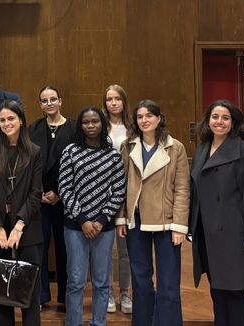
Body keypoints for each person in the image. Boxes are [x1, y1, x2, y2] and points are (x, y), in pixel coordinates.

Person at [190, 99, 244, 326]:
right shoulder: (202, 149)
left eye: (225, 118)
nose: (219, 122)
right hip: (208, 232)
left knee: (234, 290)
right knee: (217, 288)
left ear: (233, 123)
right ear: (208, 120)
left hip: (234, 233)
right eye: (215, 117)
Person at [115, 100, 189, 326]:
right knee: (140, 279)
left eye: (149, 115)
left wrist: (179, 225)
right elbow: (121, 184)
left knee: (168, 281)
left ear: (159, 118)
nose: (144, 120)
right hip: (136, 220)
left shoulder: (175, 147)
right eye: (140, 116)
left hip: (166, 222)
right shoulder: (128, 146)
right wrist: (121, 218)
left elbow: (182, 188)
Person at [59, 107, 126, 326]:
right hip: (75, 227)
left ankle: (99, 322)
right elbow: (65, 188)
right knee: (76, 281)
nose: (90, 126)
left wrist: (100, 220)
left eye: (95, 121)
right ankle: (74, 322)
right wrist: (83, 220)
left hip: (103, 229)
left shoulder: (114, 155)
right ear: (80, 125)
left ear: (102, 124)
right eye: (86, 122)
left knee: (102, 282)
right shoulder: (70, 151)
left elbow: (118, 191)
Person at [0, 99, 42, 326]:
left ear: (22, 121)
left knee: (30, 290)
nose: (7, 123)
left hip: (26, 227)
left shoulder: (34, 151)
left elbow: (36, 193)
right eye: (2, 120)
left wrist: (18, 226)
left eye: (11, 118)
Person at [28, 85, 75, 308]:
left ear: (60, 101)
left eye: (53, 99)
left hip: (65, 199)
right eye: (44, 100)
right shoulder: (34, 128)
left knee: (65, 249)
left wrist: (59, 193)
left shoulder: (74, 129)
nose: (49, 104)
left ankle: (66, 297)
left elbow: (77, 166)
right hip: (40, 199)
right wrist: (39, 192)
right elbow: (28, 164)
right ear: (40, 105)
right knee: (40, 247)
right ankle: (41, 295)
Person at [102, 84, 133, 314]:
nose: (113, 103)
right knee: (105, 249)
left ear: (124, 102)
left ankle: (125, 293)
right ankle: (108, 294)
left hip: (129, 192)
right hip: (103, 193)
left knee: (125, 249)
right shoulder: (99, 127)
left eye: (117, 99)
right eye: (109, 99)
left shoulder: (133, 127)